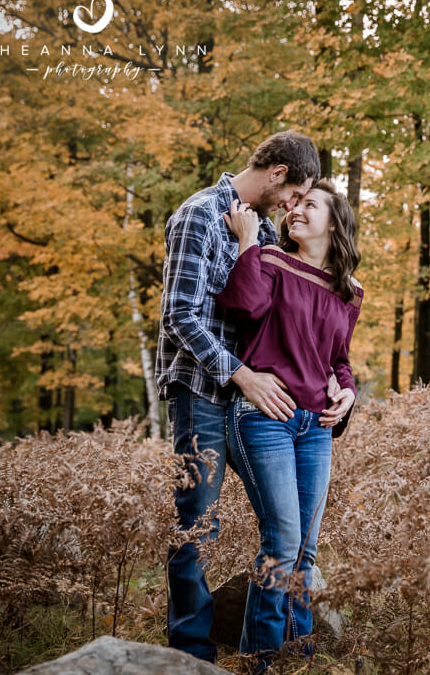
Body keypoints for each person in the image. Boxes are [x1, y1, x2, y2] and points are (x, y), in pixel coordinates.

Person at [156, 131, 325, 663]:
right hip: (203, 393)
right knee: (198, 522)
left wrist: (335, 385)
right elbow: (180, 314)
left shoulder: (267, 232)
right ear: (277, 173)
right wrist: (242, 375)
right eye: (296, 195)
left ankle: (282, 649)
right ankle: (191, 654)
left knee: (286, 530)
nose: (293, 207)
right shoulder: (199, 215)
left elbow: (285, 316)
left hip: (254, 409)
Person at [216, 178, 361, 664]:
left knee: (306, 550)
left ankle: (299, 661)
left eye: (310, 204)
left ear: (335, 223)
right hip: (264, 417)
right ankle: (258, 662)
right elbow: (243, 305)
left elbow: (338, 359)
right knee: (283, 539)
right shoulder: (272, 261)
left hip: (316, 427)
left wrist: (347, 393)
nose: (295, 209)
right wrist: (247, 244)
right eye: (295, 203)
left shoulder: (350, 291)